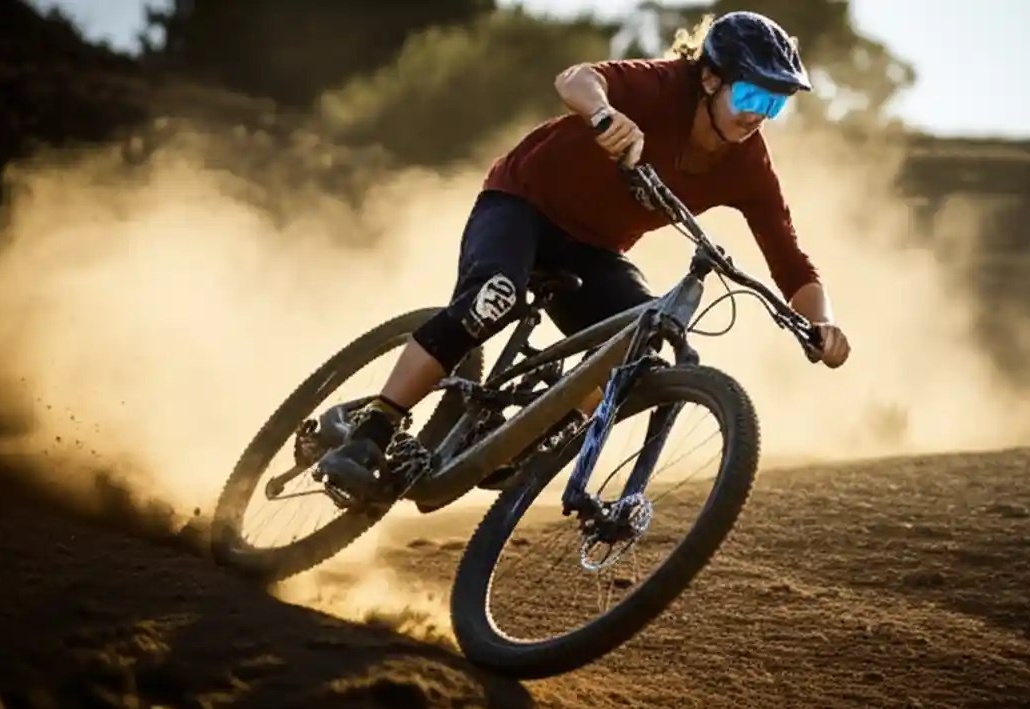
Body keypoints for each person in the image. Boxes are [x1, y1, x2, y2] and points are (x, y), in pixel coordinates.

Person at [318, 10, 852, 503]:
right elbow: (576, 78)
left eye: (774, 104)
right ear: (711, 78)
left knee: (642, 345)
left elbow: (790, 260)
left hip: (594, 248)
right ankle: (372, 429)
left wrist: (821, 324)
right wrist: (602, 114)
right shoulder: (662, 85)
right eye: (752, 98)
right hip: (522, 202)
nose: (760, 116)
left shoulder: (748, 165)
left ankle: (528, 437)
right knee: (494, 297)